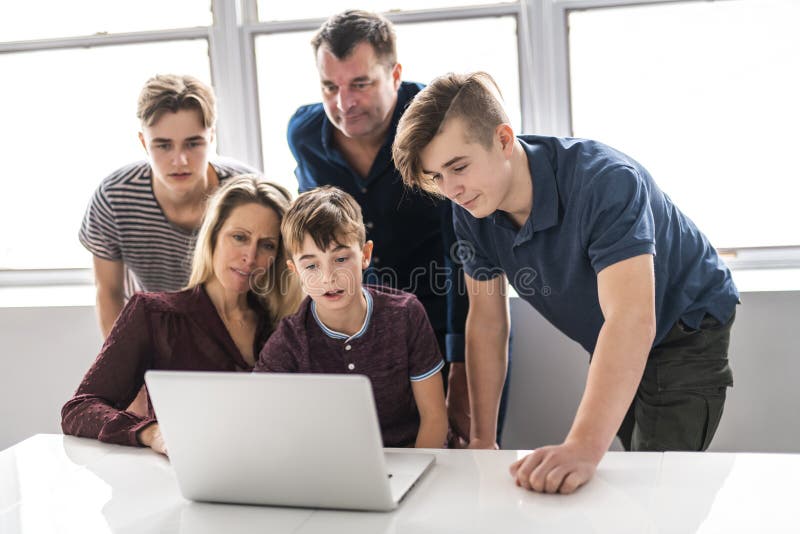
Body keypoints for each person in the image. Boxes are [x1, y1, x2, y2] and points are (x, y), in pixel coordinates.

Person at [392, 72, 739, 493]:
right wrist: (484, 438)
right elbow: (486, 323)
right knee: (628, 471)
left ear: (503, 139)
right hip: (613, 331)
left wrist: (580, 446)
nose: (451, 190)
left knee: (655, 481)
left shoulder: (606, 182)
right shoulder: (469, 207)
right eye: (437, 177)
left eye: (458, 167)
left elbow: (631, 318)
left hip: (685, 327)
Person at [287, 10, 508, 445]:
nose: (343, 103)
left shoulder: (436, 126)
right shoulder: (305, 134)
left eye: (361, 84)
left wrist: (459, 370)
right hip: (361, 331)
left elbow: (462, 251)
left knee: (463, 455)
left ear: (395, 74)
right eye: (330, 87)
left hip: (447, 324)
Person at [62, 176, 303, 454]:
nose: (250, 256)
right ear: (212, 236)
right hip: (179, 478)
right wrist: (150, 432)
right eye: (239, 237)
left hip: (270, 472)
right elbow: (79, 409)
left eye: (267, 245)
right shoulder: (153, 315)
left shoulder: (282, 326)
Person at [255, 186, 448, 448]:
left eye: (341, 258)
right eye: (311, 265)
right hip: (330, 473)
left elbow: (435, 418)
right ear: (295, 270)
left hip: (410, 463)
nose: (328, 277)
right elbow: (257, 418)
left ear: (365, 255)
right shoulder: (290, 340)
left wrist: (414, 483)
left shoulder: (406, 315)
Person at [80, 73, 258, 339]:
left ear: (212, 137)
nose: (180, 160)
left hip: (239, 332)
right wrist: (125, 367)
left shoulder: (249, 194)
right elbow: (109, 292)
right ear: (143, 142)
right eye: (163, 145)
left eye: (193, 143)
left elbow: (276, 286)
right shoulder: (114, 198)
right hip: (154, 332)